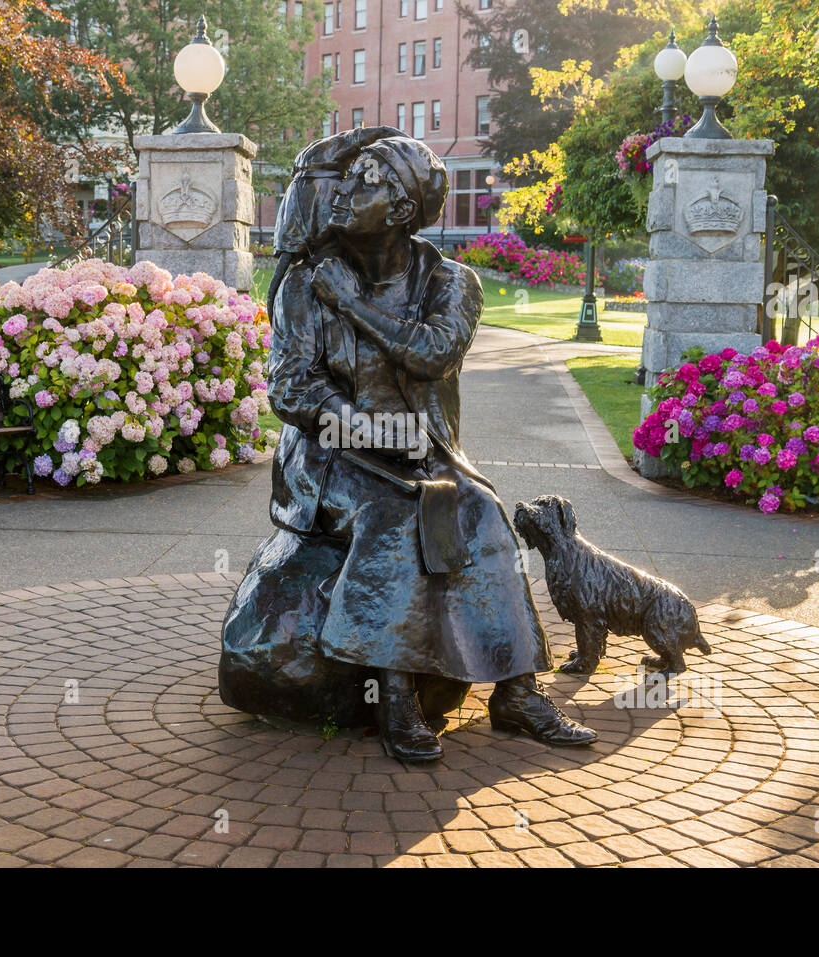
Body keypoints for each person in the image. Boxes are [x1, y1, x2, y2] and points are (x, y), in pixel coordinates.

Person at [221, 133, 596, 762]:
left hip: (424, 451)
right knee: (397, 516)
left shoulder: (451, 281)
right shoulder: (305, 282)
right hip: (331, 456)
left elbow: (433, 353)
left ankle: (517, 691)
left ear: (400, 209)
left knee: (481, 511)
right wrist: (357, 426)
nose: (344, 191)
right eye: (345, 179)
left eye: (364, 180)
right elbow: (290, 385)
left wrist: (353, 306)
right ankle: (395, 699)